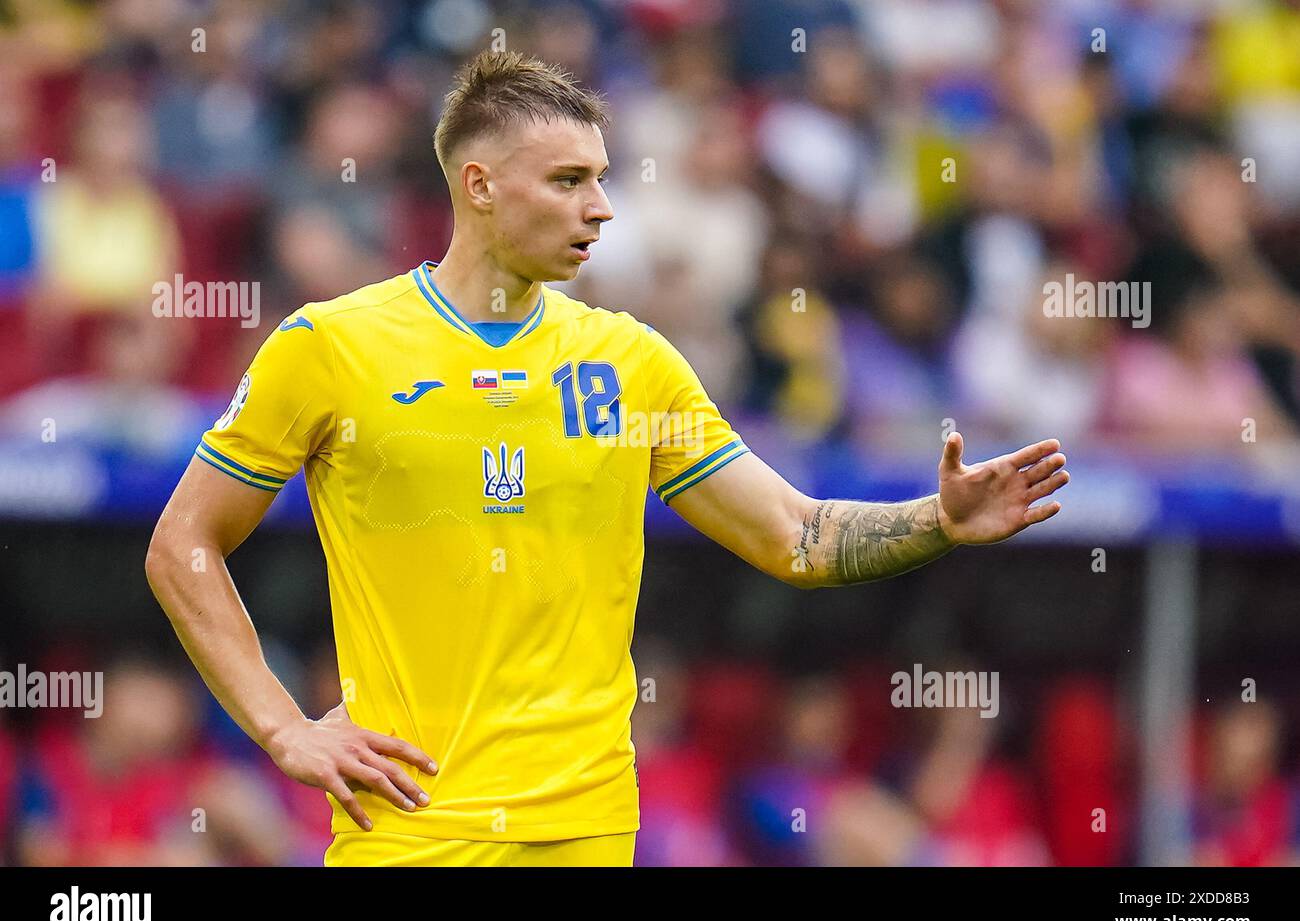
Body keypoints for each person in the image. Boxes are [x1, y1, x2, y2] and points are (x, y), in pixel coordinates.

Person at [145, 51, 1070, 867]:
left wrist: (938, 522)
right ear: (478, 185)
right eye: (568, 180)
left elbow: (797, 536)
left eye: (602, 178)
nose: (602, 206)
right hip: (414, 830)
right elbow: (182, 544)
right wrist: (283, 729)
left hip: (587, 829)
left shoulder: (630, 365)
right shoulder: (330, 347)